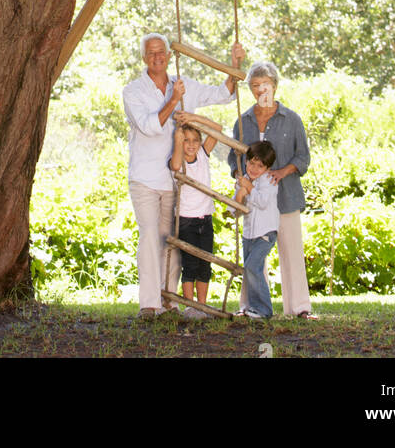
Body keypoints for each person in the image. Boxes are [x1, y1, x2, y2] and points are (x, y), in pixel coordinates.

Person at [122, 32, 246, 317]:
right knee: (150, 236)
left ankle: (170, 300)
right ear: (144, 58)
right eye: (151, 53)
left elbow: (223, 94)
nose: (158, 57)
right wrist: (174, 100)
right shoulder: (133, 91)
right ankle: (149, 303)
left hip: (175, 182)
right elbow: (149, 126)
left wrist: (234, 63)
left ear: (168, 54)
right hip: (145, 177)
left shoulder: (183, 84)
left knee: (172, 241)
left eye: (162, 51)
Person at [229, 60, 316, 318]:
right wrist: (240, 177)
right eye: (255, 86)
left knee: (291, 253)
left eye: (265, 85)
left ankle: (299, 308)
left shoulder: (291, 119)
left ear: (275, 86)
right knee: (253, 256)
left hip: (286, 197)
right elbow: (234, 158)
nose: (260, 90)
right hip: (254, 201)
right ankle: (250, 306)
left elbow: (303, 158)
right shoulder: (243, 121)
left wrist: (282, 171)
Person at [169, 119, 218, 313]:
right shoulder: (179, 160)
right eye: (186, 140)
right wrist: (176, 139)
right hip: (186, 220)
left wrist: (190, 117)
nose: (191, 144)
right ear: (180, 141)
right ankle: (190, 307)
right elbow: (174, 166)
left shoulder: (203, 155)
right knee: (190, 264)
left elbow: (217, 129)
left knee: (205, 264)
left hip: (205, 218)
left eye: (195, 140)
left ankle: (202, 306)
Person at [236, 140, 279, 319]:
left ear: (267, 168)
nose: (254, 168)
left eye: (260, 166)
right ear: (246, 161)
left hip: (265, 232)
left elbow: (262, 202)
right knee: (250, 268)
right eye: (251, 163)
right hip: (249, 233)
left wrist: (249, 188)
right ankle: (254, 308)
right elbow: (235, 209)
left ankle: (264, 310)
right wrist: (240, 192)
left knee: (253, 266)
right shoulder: (244, 180)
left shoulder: (269, 181)